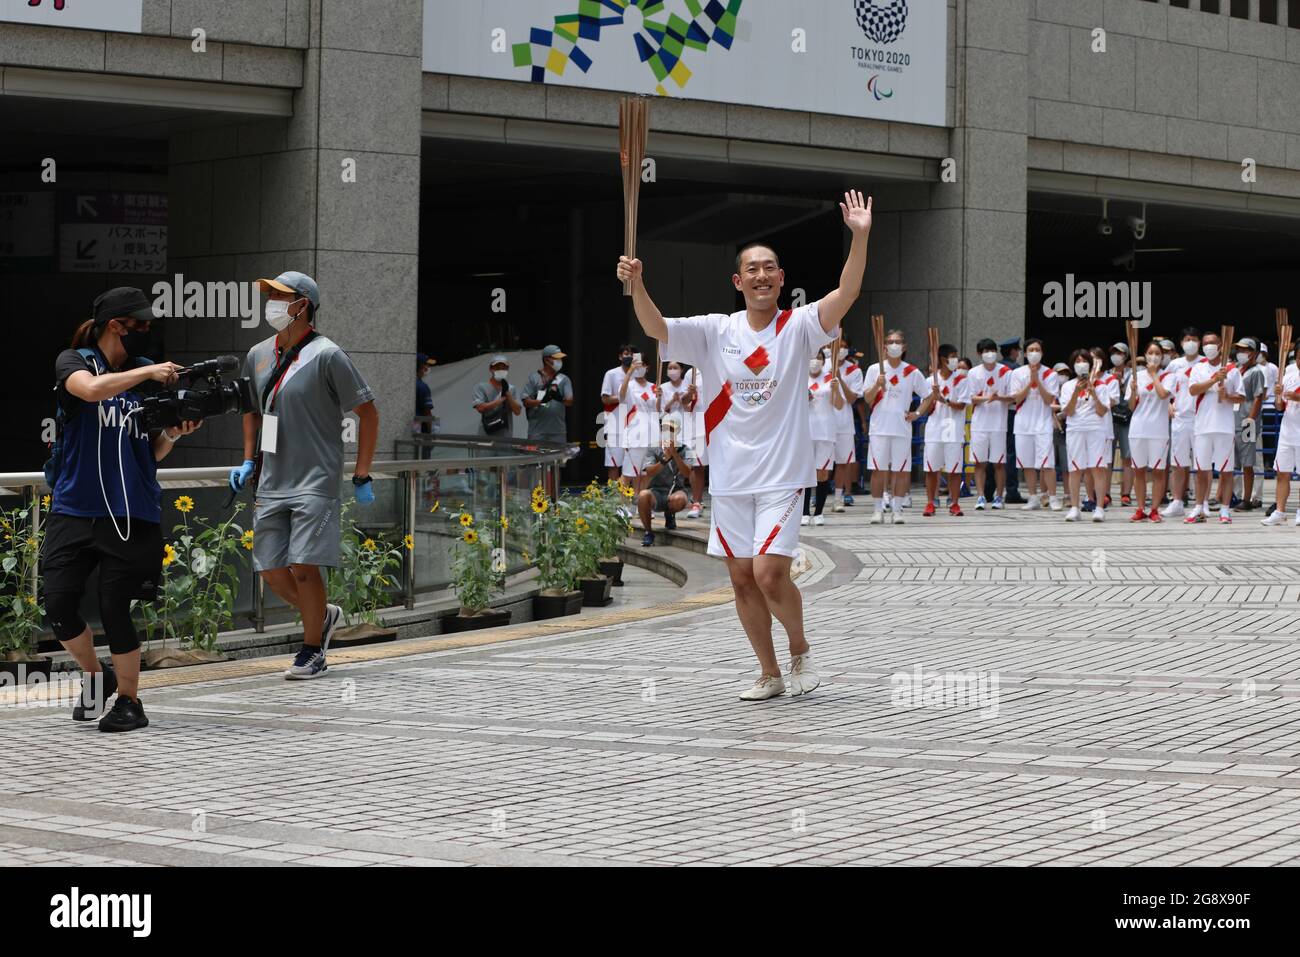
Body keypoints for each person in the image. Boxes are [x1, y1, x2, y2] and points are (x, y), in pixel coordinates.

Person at [618, 188, 874, 701]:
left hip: (781, 474)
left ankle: (799, 647)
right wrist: (638, 284)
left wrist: (860, 238)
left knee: (769, 573)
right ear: (739, 281)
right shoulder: (717, 331)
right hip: (732, 477)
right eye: (751, 269)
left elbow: (845, 294)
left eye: (770, 268)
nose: (761, 275)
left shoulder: (798, 326)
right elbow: (655, 326)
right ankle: (769, 671)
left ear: (781, 279)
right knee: (741, 581)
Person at [42, 287, 199, 732]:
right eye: (142, 325)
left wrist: (175, 434)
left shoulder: (141, 381)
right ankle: (97, 676)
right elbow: (90, 392)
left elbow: (150, 451)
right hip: (75, 507)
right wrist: (147, 372)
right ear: (117, 325)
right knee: (57, 604)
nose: (148, 333)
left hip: (132, 510)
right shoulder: (74, 362)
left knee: (115, 607)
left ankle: (130, 700)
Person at [229, 271, 379, 680]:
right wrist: (246, 460)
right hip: (271, 479)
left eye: (282, 295)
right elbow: (251, 411)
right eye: (271, 294)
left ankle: (312, 650)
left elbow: (367, 412)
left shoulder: (328, 355)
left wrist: (361, 473)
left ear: (304, 304)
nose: (273, 302)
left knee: (303, 567)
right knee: (272, 571)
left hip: (316, 478)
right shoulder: (258, 354)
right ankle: (323, 616)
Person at [863, 329, 927, 525]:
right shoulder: (875, 370)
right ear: (884, 346)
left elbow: (928, 395)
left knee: (901, 470)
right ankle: (877, 510)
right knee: (878, 470)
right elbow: (867, 399)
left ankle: (897, 510)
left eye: (897, 342)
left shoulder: (912, 371)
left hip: (901, 428)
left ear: (904, 346)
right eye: (890, 341)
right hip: (879, 427)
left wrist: (916, 414)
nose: (894, 345)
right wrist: (877, 384)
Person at [1185, 331, 1244, 524]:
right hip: (1202, 426)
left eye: (1212, 343)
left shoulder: (1232, 370)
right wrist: (1214, 379)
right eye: (1206, 343)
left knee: (1226, 471)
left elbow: (1241, 398)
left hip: (1224, 427)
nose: (1208, 346)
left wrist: (1227, 396)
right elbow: (1193, 390)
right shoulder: (1198, 368)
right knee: (1201, 470)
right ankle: (1198, 507)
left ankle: (1225, 510)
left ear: (1220, 346)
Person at [1059, 349, 1116, 522]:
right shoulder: (1068, 386)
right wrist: (1077, 392)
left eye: (1084, 361)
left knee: (1098, 468)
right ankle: (1075, 508)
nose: (1081, 364)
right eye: (1077, 361)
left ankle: (1099, 507)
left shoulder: (1101, 386)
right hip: (1075, 429)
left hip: (1095, 429)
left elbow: (1101, 412)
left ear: (1090, 366)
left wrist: (1093, 392)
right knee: (1075, 469)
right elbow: (1067, 412)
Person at [1007, 339, 1062, 510]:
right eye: (1030, 349)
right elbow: (1016, 399)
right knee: (1027, 464)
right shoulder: (1017, 374)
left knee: (1047, 464)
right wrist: (1029, 381)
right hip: (1023, 424)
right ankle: (1033, 497)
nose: (1034, 353)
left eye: (1037, 349)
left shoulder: (1050, 374)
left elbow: (1048, 399)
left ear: (1042, 353)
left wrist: (1037, 381)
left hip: (1043, 424)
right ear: (1025, 353)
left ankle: (1052, 497)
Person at [916, 343, 968, 517]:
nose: (955, 360)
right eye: (952, 356)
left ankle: (954, 503)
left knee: (954, 469)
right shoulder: (930, 381)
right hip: (935, 427)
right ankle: (930, 503)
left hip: (953, 426)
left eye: (956, 356)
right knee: (931, 468)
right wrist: (930, 400)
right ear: (943, 359)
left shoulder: (961, 379)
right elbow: (925, 407)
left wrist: (942, 399)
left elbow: (961, 405)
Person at [1127, 340, 1173, 522]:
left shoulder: (1168, 376)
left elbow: (1163, 395)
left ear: (1162, 357)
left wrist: (1154, 375)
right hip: (1138, 428)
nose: (1153, 356)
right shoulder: (1136, 376)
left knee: (1158, 471)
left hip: (1159, 430)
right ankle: (1140, 508)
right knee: (1138, 470)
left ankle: (1154, 509)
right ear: (1145, 355)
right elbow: (1131, 406)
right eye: (1150, 353)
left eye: (1157, 353)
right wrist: (1132, 392)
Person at [1161, 328, 1201, 518]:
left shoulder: (1204, 363)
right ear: (1181, 342)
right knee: (1178, 463)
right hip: (1179, 418)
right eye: (1187, 339)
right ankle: (1177, 501)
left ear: (1199, 343)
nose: (1190, 342)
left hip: (1201, 418)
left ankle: (1202, 503)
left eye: (1194, 339)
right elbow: (1166, 388)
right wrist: (1168, 403)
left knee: (1201, 464)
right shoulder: (1175, 365)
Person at [968, 338, 1012, 509]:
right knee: (979, 463)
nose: (989, 354)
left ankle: (999, 496)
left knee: (999, 464)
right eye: (985, 351)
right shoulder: (973, 373)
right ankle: (980, 496)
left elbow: (1012, 397)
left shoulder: (1005, 372)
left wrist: (999, 397)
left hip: (998, 425)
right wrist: (988, 398)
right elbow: (971, 398)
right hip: (980, 424)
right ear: (979, 354)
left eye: (992, 350)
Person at [1263, 352, 1300, 525]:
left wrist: (1296, 396)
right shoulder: (1289, 377)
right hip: (1287, 432)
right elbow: (1279, 407)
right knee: (1282, 473)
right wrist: (1278, 395)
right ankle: (1280, 512)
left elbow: (1294, 397)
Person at [636, 429, 691, 546]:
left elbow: (687, 473)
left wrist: (675, 454)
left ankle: (669, 514)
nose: (669, 434)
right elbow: (649, 472)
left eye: (672, 431)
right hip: (656, 491)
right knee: (643, 496)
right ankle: (648, 532)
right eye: (666, 430)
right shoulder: (652, 448)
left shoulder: (686, 449)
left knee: (679, 500)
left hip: (677, 490)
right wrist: (664, 459)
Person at [828, 342, 865, 510]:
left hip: (844, 423)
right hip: (822, 423)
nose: (840, 349)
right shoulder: (821, 365)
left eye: (843, 346)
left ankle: (838, 498)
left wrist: (840, 379)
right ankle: (814, 496)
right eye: (837, 345)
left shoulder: (854, 371)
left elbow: (852, 399)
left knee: (843, 462)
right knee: (820, 463)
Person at [803, 348, 837, 526]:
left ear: (824, 360)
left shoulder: (830, 378)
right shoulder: (799, 376)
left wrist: (836, 390)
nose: (815, 360)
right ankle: (804, 512)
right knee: (805, 472)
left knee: (822, 472)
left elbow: (838, 405)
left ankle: (819, 512)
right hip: (804, 431)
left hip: (825, 431)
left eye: (819, 357)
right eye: (812, 356)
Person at [1230, 338, 1265, 511]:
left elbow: (1259, 397)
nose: (1242, 352)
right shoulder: (1236, 370)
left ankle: (1247, 499)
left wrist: (1250, 419)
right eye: (1239, 349)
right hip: (1233, 420)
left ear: (1255, 353)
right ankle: (1230, 495)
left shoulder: (1257, 372)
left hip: (1247, 422)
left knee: (1247, 462)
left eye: (1246, 349)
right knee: (1232, 461)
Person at [523, 345, 573, 445]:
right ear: (546, 360)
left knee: (557, 460)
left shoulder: (564, 379)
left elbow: (569, 402)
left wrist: (559, 398)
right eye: (556, 358)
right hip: (536, 431)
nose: (560, 361)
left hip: (558, 431)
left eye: (560, 358)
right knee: (536, 459)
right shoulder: (534, 378)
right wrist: (542, 400)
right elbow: (526, 401)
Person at [600, 345, 634, 482]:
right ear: (620, 356)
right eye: (626, 354)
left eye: (632, 354)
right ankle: (614, 498)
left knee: (633, 462)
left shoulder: (638, 376)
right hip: (615, 424)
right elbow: (605, 398)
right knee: (614, 463)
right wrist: (622, 397)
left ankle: (631, 496)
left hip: (634, 424)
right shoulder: (611, 374)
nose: (629, 357)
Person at [1109, 342, 1136, 507]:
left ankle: (1126, 493)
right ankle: (1105, 493)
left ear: (1126, 356)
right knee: (1107, 458)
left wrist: (1121, 384)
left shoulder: (1133, 374)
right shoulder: (1105, 374)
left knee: (1127, 457)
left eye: (1119, 353)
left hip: (1127, 419)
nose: (1116, 356)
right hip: (1110, 419)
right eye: (1113, 352)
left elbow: (1133, 395)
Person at [473, 355, 522, 438]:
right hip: (486, 434)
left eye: (504, 367)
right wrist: (499, 401)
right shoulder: (480, 387)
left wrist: (508, 395)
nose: (501, 370)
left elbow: (517, 412)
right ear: (491, 369)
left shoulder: (511, 388)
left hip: (505, 436)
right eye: (497, 367)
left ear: (507, 369)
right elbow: (480, 408)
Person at [414, 352, 436, 445]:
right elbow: (427, 412)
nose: (427, 368)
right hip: (422, 432)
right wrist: (433, 432)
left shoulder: (408, 383)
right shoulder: (422, 386)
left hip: (413, 429)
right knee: (423, 457)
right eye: (426, 365)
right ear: (420, 366)